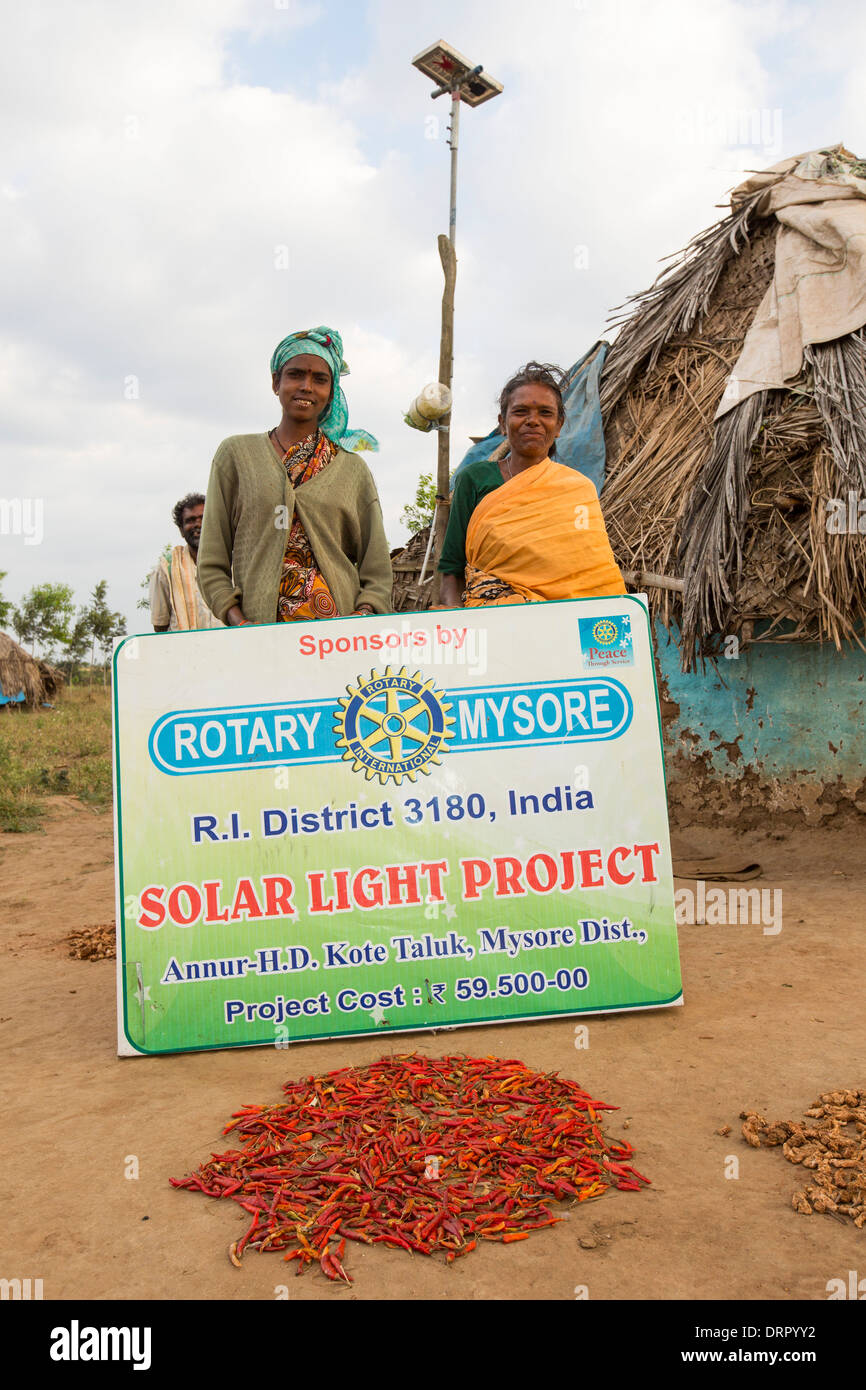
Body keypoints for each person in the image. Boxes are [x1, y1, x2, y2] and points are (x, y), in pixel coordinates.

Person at [197, 326, 392, 627]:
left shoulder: (352, 469)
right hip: (258, 638)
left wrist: (361, 618)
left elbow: (377, 569)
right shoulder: (236, 455)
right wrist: (240, 623)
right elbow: (211, 563)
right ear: (276, 382)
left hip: (340, 639)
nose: (306, 386)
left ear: (331, 391)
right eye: (295, 374)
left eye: (320, 379)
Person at [437, 361, 625, 607]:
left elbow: (594, 577)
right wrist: (461, 628)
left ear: (559, 425)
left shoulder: (578, 489)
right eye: (520, 411)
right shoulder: (475, 479)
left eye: (545, 413)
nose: (533, 421)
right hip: (492, 622)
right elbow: (452, 569)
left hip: (566, 626)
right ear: (503, 423)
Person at [149, 493, 224, 632]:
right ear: (181, 530)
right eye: (190, 520)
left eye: (203, 518)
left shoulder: (231, 563)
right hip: (184, 651)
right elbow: (160, 625)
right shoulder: (167, 568)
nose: (198, 524)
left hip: (229, 649)